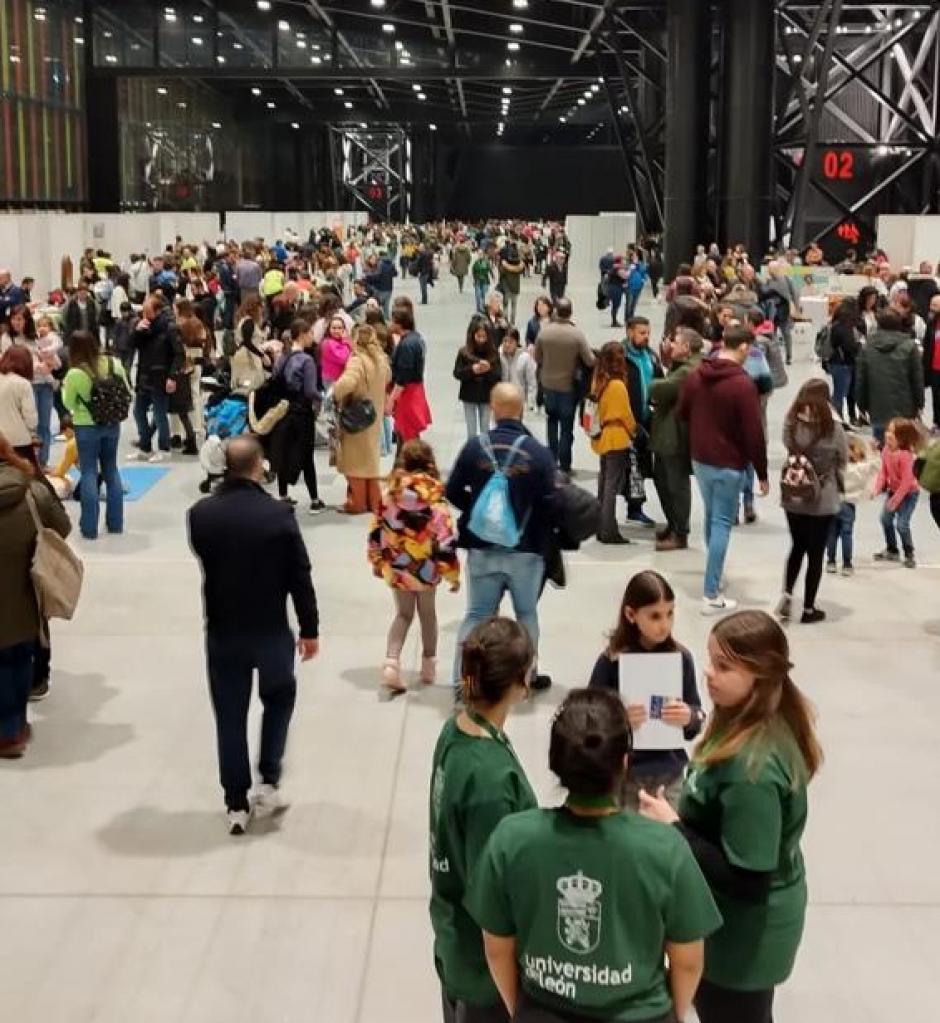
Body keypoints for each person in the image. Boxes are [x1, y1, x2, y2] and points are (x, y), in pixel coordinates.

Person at [467, 687, 721, 1023]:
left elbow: (497, 948)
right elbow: (688, 960)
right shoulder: (664, 848)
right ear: (624, 762)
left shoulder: (511, 840)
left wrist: (525, 1013)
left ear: (555, 762)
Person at [640, 610, 823, 1023]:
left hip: (743, 943)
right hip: (729, 929)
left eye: (723, 666)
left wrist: (674, 828)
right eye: (710, 659)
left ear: (758, 675)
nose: (708, 673)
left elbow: (748, 877)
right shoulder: (742, 720)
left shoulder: (751, 773)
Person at [187, 435, 320, 835]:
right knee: (279, 696)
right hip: (271, 628)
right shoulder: (279, 516)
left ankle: (235, 800)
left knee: (229, 714)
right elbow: (300, 574)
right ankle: (269, 776)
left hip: (224, 629)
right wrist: (310, 627)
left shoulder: (201, 515)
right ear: (259, 465)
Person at [430, 617, 538, 1023]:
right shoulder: (490, 784)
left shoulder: (455, 731)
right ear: (522, 682)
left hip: (454, 940)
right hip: (485, 973)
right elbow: (491, 897)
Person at [446, 384, 556, 694]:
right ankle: (527, 676)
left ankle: (462, 680)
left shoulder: (474, 447)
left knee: (477, 615)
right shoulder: (538, 453)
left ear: (493, 408)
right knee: (526, 615)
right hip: (526, 551)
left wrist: (478, 515)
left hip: (482, 550)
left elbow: (451, 490)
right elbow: (552, 501)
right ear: (521, 408)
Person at [589, 571, 705, 809]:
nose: (665, 625)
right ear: (631, 614)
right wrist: (617, 721)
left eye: (670, 614)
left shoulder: (681, 658)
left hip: (670, 772)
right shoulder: (611, 662)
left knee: (669, 837)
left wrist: (689, 717)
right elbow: (588, 719)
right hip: (626, 774)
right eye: (655, 616)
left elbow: (697, 714)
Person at [678, 325, 769, 614]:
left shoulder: (696, 376)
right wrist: (762, 472)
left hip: (700, 460)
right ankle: (711, 591)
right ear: (743, 347)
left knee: (710, 517)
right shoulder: (743, 385)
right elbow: (754, 433)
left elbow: (682, 411)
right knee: (721, 524)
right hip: (728, 464)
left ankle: (712, 572)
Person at [0, 433, 71, 758]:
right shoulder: (31, 491)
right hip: (23, 595)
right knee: (16, 659)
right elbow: (62, 527)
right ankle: (12, 730)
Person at [369, 440, 460, 693]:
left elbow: (376, 530)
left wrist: (377, 559)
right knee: (427, 615)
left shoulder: (390, 495)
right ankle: (428, 667)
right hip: (426, 567)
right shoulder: (435, 498)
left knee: (403, 614)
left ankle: (391, 662)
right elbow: (446, 538)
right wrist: (452, 573)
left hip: (398, 564)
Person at [776, 379, 848, 625]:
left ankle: (786, 594)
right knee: (816, 554)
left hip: (793, 493)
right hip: (822, 498)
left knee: (797, 546)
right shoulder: (833, 427)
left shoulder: (791, 422)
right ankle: (808, 608)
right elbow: (842, 458)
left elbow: (787, 445)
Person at [61, 330, 128, 540]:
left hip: (86, 426)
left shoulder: (75, 373)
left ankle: (89, 528)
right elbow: (126, 389)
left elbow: (68, 403)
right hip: (112, 423)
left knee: (89, 473)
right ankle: (115, 523)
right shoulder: (113, 363)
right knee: (111, 469)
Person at [650, 327, 703, 552]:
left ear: (686, 347)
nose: (671, 345)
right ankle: (674, 525)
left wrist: (652, 382)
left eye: (676, 342)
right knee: (663, 480)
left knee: (675, 484)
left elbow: (661, 388)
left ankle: (680, 532)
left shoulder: (688, 371)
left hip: (674, 436)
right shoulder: (685, 366)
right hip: (668, 433)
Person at [533, 298, 595, 477]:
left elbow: (537, 358)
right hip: (568, 387)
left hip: (548, 385)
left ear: (555, 312)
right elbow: (590, 360)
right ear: (570, 312)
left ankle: (551, 462)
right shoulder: (576, 334)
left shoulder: (544, 333)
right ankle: (565, 465)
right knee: (566, 428)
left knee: (551, 422)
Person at [268, 319, 326, 514]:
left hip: (283, 412)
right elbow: (310, 390)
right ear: (302, 334)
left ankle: (283, 495)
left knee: (284, 450)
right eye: (310, 333)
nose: (313, 337)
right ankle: (315, 499)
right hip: (302, 413)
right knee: (306, 456)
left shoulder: (282, 357)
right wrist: (324, 397)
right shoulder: (306, 361)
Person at [332, 324, 390, 514]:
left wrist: (335, 393)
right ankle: (374, 503)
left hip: (357, 418)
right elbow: (388, 378)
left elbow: (345, 384)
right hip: (374, 416)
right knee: (371, 462)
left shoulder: (358, 360)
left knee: (355, 463)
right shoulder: (381, 359)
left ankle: (357, 503)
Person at [126, 293, 184, 463]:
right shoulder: (143, 327)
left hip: (161, 375)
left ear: (158, 311)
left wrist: (172, 376)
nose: (144, 315)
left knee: (159, 414)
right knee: (138, 412)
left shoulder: (169, 327)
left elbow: (179, 354)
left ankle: (164, 447)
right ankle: (145, 446)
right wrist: (137, 332)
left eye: (148, 311)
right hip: (144, 375)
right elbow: (131, 345)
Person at [588, 341, 637, 545]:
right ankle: (609, 530)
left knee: (604, 482)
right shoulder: (617, 385)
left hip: (603, 436)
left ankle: (601, 526)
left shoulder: (599, 381)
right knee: (611, 486)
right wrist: (634, 431)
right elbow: (625, 414)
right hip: (617, 437)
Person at [855, 307, 924, 444]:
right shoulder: (910, 347)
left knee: (881, 446)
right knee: (904, 447)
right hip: (905, 409)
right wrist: (919, 403)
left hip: (877, 407)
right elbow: (917, 379)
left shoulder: (867, 348)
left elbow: (861, 380)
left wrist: (861, 405)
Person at [622, 316, 663, 528]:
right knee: (631, 467)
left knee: (641, 466)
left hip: (647, 421)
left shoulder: (651, 357)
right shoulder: (620, 357)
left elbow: (659, 381)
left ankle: (635, 506)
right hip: (626, 422)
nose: (646, 337)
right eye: (641, 333)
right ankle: (634, 508)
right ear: (630, 332)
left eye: (647, 333)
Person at [826, 433, 879, 576]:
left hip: (833, 502)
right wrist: (874, 452)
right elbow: (875, 466)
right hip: (849, 505)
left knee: (832, 534)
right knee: (847, 534)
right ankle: (847, 564)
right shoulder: (860, 469)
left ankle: (830, 561)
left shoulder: (835, 467)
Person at [873, 417, 921, 568]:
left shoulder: (906, 456)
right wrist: (877, 488)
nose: (888, 435)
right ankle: (892, 549)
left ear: (902, 438)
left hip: (909, 494)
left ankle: (909, 553)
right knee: (885, 519)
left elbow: (907, 482)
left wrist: (895, 500)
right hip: (893, 491)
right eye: (888, 430)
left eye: (893, 432)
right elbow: (883, 472)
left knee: (902, 525)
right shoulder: (886, 450)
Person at [388, 304, 432, 450]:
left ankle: (408, 465)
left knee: (408, 435)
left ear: (399, 323)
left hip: (408, 394)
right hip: (414, 391)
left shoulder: (407, 344)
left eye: (392, 320)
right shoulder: (415, 338)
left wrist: (391, 400)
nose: (390, 323)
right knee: (408, 434)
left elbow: (402, 378)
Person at [455, 315, 502, 439]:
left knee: (485, 429)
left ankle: (484, 453)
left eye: (484, 337)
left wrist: (488, 369)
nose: (481, 339)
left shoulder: (492, 353)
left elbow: (498, 375)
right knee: (471, 431)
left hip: (486, 394)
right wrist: (471, 370)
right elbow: (457, 373)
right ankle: (473, 453)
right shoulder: (464, 352)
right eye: (478, 336)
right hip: (469, 393)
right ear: (473, 336)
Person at [0, 346, 39, 465]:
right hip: (19, 441)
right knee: (27, 478)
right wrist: (33, 433)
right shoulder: (23, 384)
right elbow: (31, 417)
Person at [826, 299, 861, 422]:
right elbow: (849, 347)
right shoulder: (844, 328)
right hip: (843, 363)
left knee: (839, 392)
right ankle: (837, 419)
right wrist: (859, 346)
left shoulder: (834, 325)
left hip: (836, 362)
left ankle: (836, 417)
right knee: (840, 394)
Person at [499, 328, 537, 413]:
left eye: (511, 342)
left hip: (518, 401)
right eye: (505, 341)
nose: (507, 345)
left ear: (517, 343)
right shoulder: (498, 356)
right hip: (501, 400)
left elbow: (532, 382)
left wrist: (530, 403)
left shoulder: (525, 357)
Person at [61, 281, 99, 345]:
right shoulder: (71, 303)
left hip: (89, 333)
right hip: (75, 334)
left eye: (85, 292)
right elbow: (64, 317)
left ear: (87, 292)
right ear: (77, 292)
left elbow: (97, 315)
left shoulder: (92, 303)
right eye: (80, 292)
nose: (83, 294)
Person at [923, 292, 940, 430]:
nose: (931, 308)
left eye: (934, 305)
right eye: (931, 304)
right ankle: (936, 421)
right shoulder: (931, 323)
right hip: (934, 366)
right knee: (936, 396)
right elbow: (927, 343)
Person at [497, 240, 524, 324]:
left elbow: (501, 273)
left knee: (505, 305)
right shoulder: (519, 266)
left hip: (507, 286)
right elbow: (522, 270)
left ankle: (506, 320)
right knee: (514, 305)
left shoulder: (505, 266)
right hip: (516, 287)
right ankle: (513, 321)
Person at [471, 248, 494, 314]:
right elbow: (473, 272)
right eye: (479, 254)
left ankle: (483, 308)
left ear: (483, 254)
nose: (480, 255)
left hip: (485, 281)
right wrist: (474, 280)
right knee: (478, 295)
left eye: (481, 254)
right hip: (477, 281)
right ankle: (478, 309)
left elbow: (490, 270)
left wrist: (493, 277)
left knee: (484, 295)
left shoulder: (486, 262)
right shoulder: (476, 263)